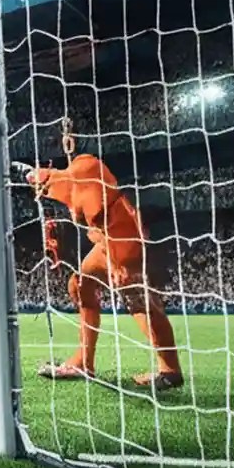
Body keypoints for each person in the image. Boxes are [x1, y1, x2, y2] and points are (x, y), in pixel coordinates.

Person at [21, 153, 184, 390]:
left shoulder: (84, 185)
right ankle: (83, 362)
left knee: (137, 301)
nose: (43, 191)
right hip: (111, 239)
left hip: (121, 241)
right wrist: (31, 175)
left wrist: (118, 264)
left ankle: (169, 369)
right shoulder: (75, 174)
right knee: (81, 284)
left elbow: (102, 218)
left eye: (43, 187)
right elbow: (52, 182)